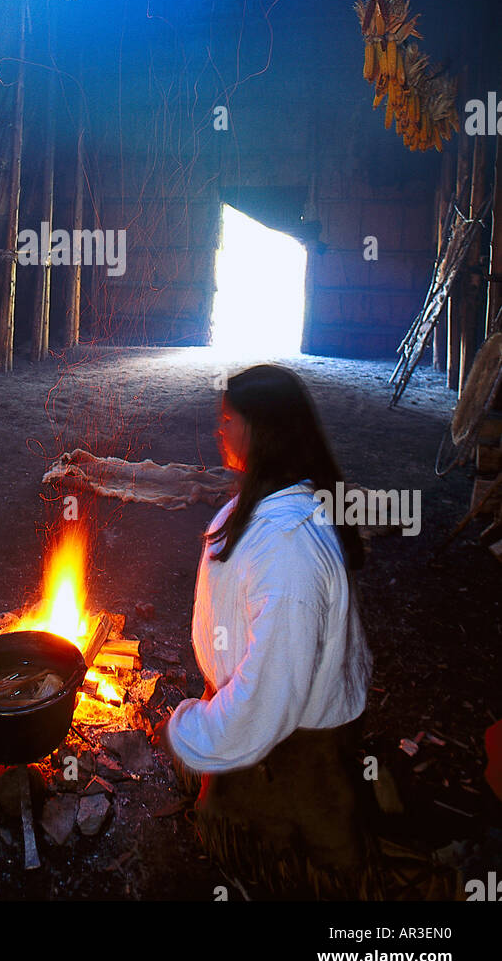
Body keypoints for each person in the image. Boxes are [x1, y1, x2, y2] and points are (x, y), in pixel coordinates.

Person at [157, 363, 382, 899]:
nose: (219, 428)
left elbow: (271, 693)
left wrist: (189, 730)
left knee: (260, 833)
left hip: (289, 741)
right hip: (274, 708)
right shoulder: (268, 504)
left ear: (263, 431)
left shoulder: (289, 551)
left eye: (228, 419)